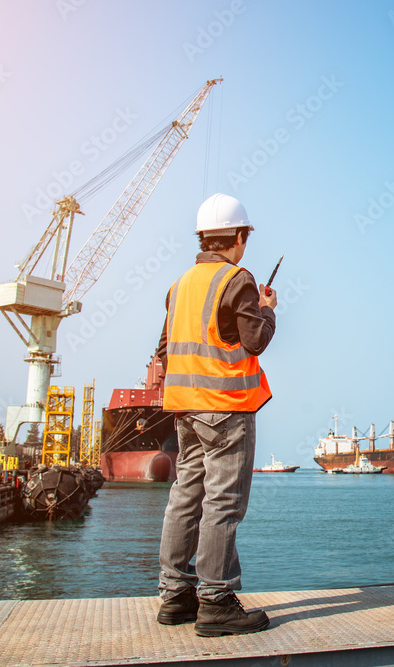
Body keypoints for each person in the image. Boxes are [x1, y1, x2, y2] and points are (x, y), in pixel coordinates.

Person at [155, 193, 277, 637]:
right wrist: (267, 311)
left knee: (185, 497)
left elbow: (164, 349)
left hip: (185, 410)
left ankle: (175, 595)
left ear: (203, 238)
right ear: (239, 237)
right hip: (225, 408)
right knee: (223, 502)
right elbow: (255, 339)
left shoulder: (180, 285)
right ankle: (216, 601)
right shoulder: (238, 279)